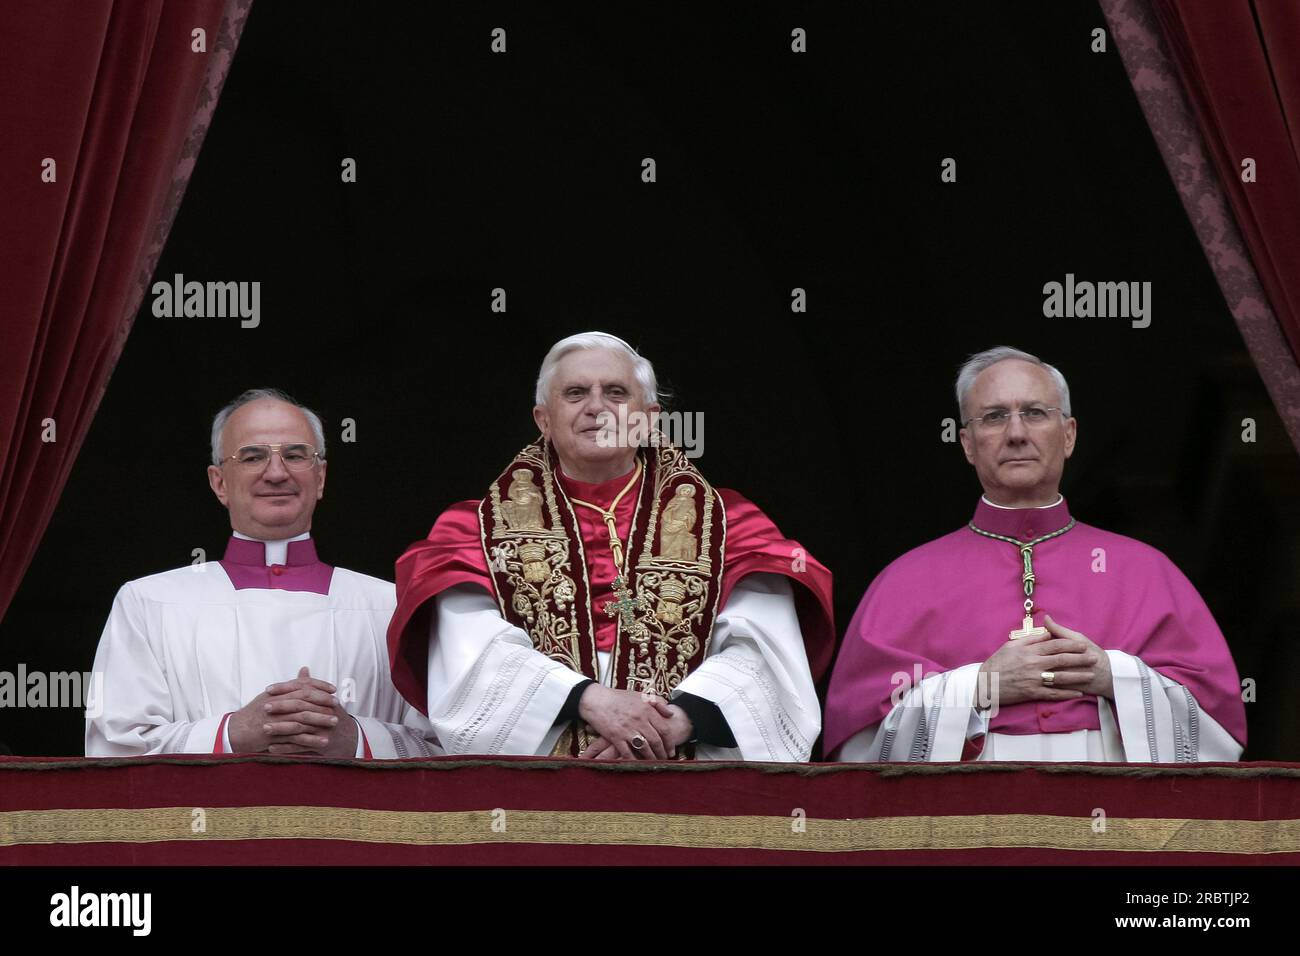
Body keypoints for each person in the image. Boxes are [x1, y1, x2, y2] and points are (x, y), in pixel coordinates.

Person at [388, 332, 834, 760]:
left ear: (650, 418)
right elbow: (470, 648)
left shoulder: (728, 523)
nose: (596, 408)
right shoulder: (474, 528)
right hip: (539, 781)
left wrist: (679, 720)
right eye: (576, 393)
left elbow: (763, 650)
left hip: (684, 771)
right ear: (544, 419)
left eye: (616, 393)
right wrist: (588, 701)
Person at [823, 346, 1246, 762]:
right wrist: (983, 684)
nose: (1016, 433)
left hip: (1115, 816)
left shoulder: (1147, 571)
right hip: (969, 819)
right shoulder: (906, 580)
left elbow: (1217, 725)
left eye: (1035, 412)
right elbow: (859, 742)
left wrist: (1111, 676)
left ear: (1069, 435)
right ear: (967, 445)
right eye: (993, 417)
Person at [86, 388, 438, 758]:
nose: (276, 473)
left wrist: (358, 739)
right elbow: (112, 753)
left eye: (295, 455)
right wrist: (231, 734)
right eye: (252, 457)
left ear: (320, 478)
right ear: (219, 482)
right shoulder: (147, 603)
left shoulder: (391, 606)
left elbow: (449, 754)